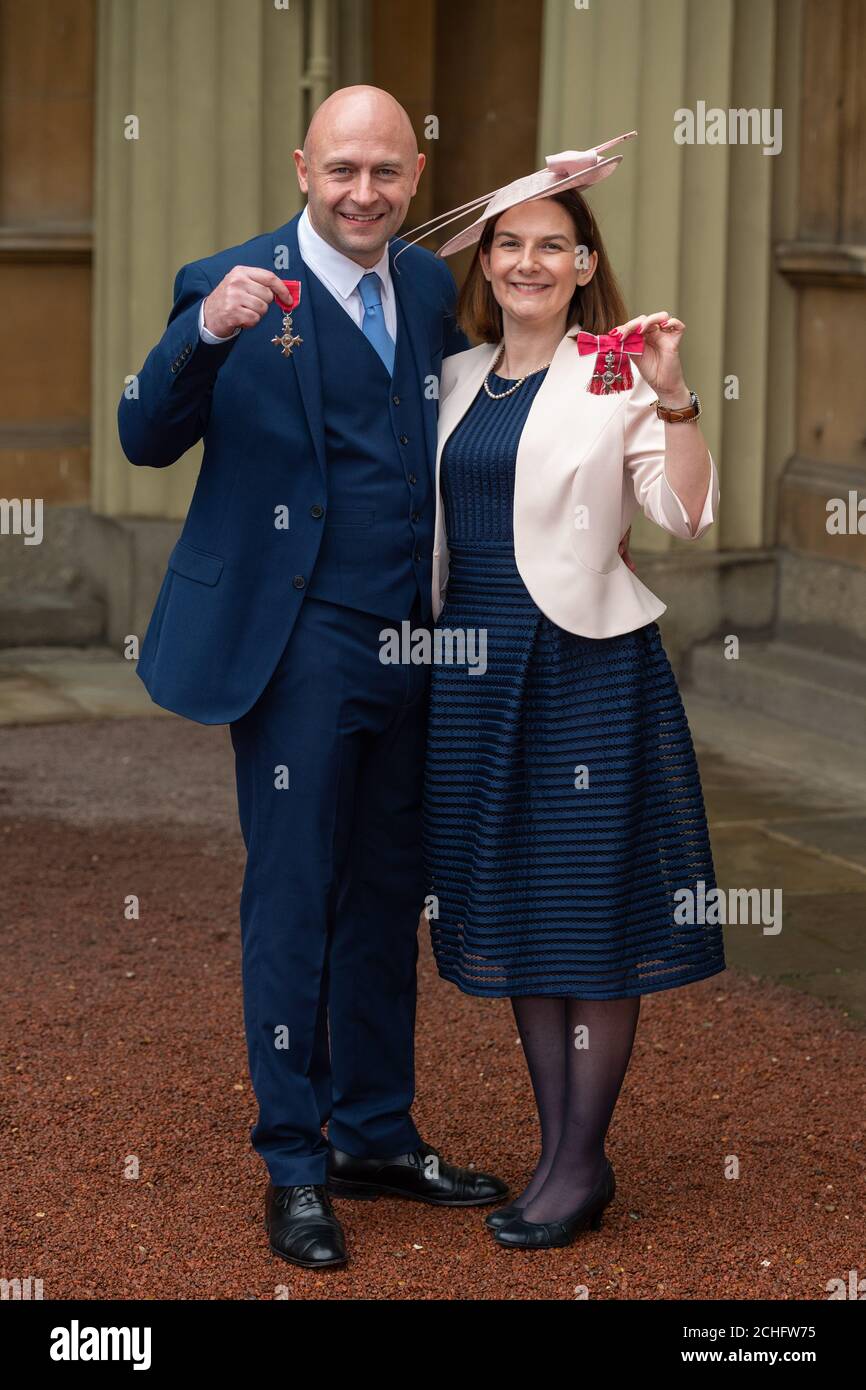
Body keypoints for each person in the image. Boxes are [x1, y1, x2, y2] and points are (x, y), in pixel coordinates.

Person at [117, 85, 510, 1271]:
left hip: (414, 642)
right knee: (295, 897)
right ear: (302, 167)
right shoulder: (225, 280)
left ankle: (373, 1133)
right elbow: (142, 430)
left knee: (391, 890)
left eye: (386, 173)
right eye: (342, 170)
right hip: (295, 648)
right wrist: (205, 334)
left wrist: (547, 192)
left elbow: (516, 327)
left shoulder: (429, 285)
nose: (363, 193)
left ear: (410, 176)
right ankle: (294, 1163)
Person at [413, 135, 727, 1249]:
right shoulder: (449, 375)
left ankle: (581, 1162)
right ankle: (555, 1151)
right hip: (472, 666)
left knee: (589, 912)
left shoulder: (613, 368)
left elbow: (686, 516)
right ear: (486, 263)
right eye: (510, 244)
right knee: (512, 907)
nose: (530, 262)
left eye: (554, 244)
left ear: (585, 264)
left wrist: (675, 398)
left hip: (587, 662)